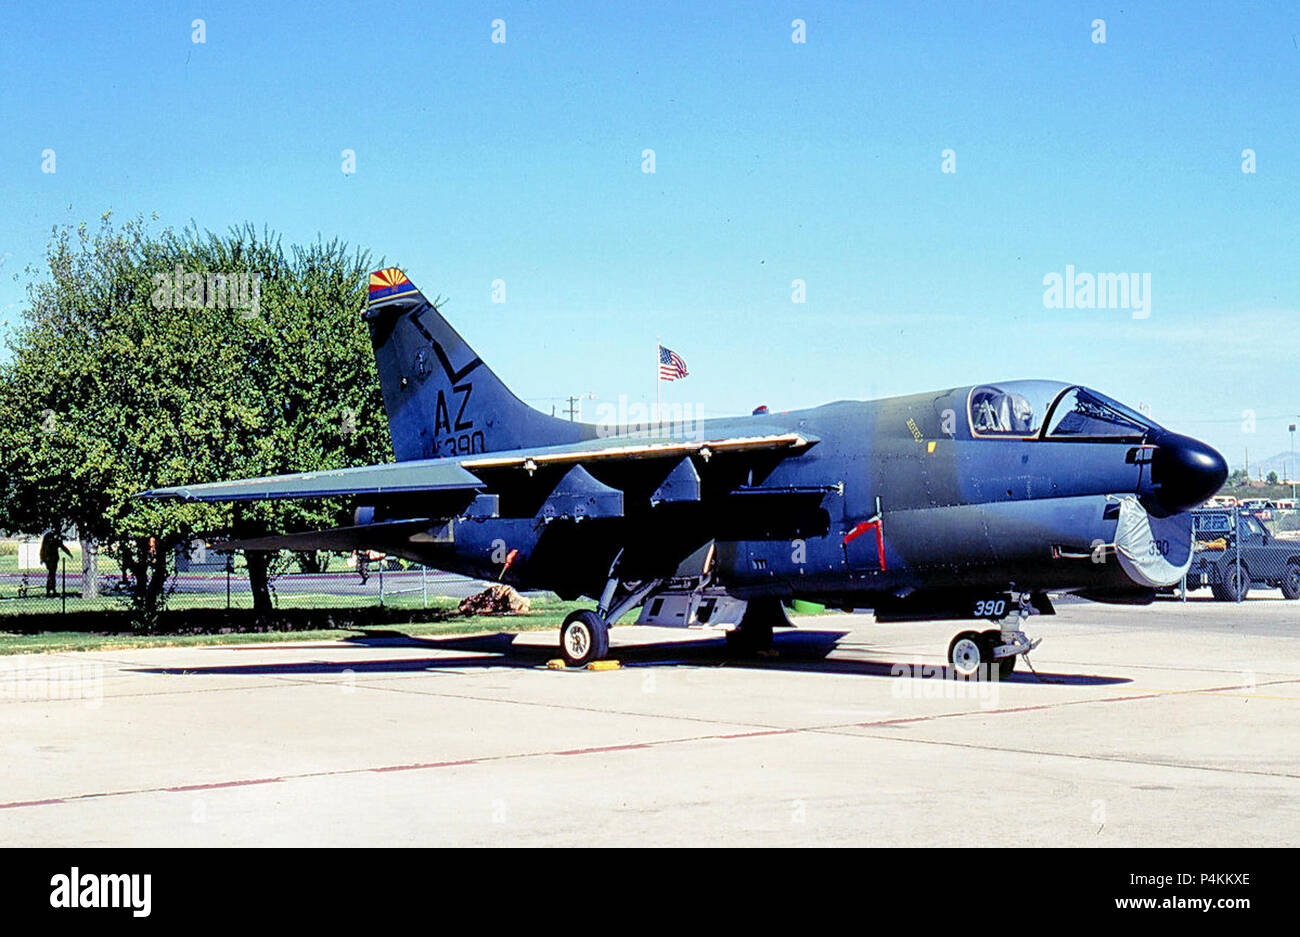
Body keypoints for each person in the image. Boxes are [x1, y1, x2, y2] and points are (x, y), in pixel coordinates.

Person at [40, 530, 72, 598]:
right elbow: (43, 547)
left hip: (53, 558)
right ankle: (50, 589)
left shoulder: (53, 537)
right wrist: (42, 557)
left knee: (52, 574)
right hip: (49, 558)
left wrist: (68, 553)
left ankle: (51, 589)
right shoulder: (49, 536)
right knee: (51, 574)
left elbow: (62, 546)